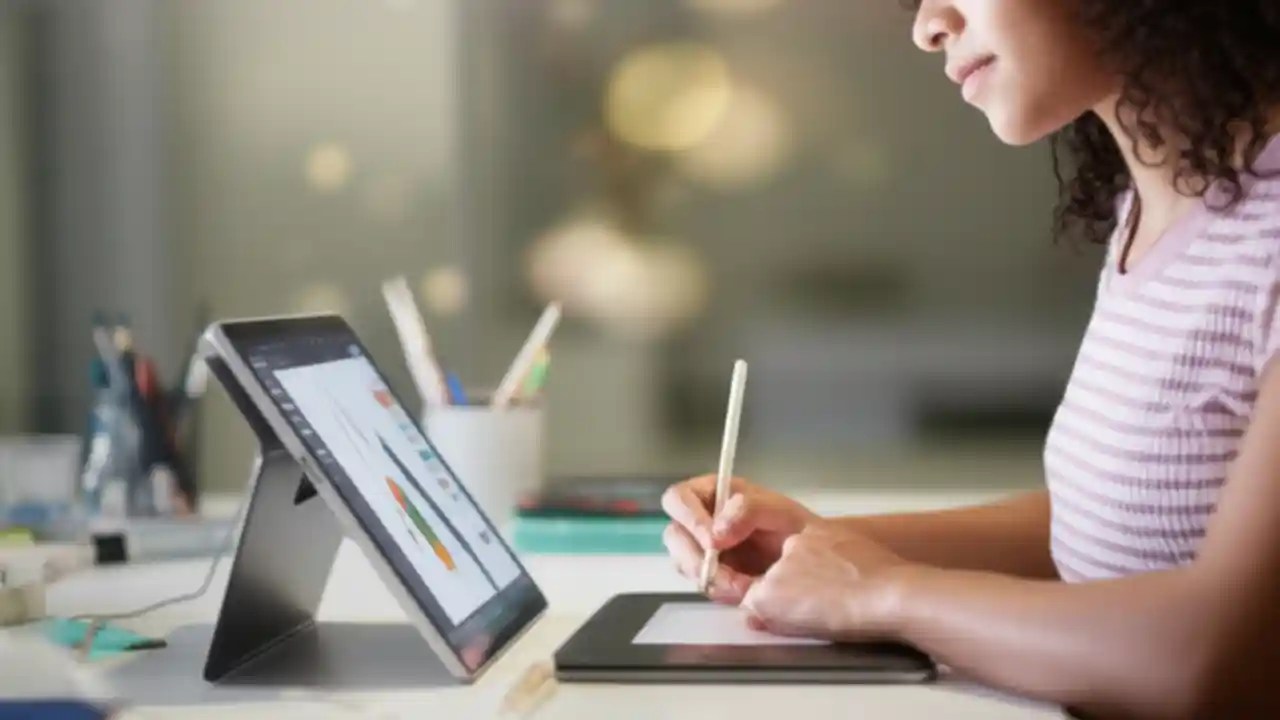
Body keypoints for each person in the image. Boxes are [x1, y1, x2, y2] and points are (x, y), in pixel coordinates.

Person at [661, 2, 1280, 718]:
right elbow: (1119, 536)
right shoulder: (1159, 207)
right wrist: (823, 547)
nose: (929, 25)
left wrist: (881, 592)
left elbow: (1211, 658)